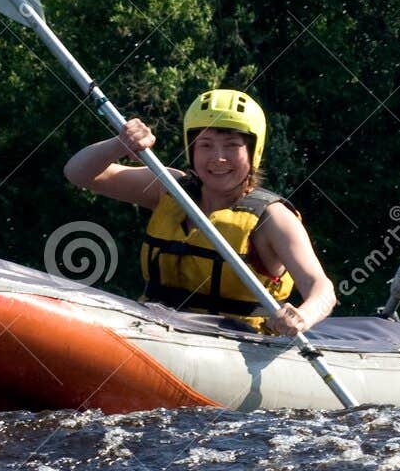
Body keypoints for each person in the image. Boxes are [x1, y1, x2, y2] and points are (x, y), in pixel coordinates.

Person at [62, 89, 336, 337]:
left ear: (254, 151)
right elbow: (78, 173)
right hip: (155, 332)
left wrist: (302, 316)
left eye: (232, 145)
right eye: (205, 145)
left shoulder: (273, 218)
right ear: (191, 148)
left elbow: (321, 289)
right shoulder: (168, 188)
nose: (218, 157)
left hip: (235, 345)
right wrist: (120, 144)